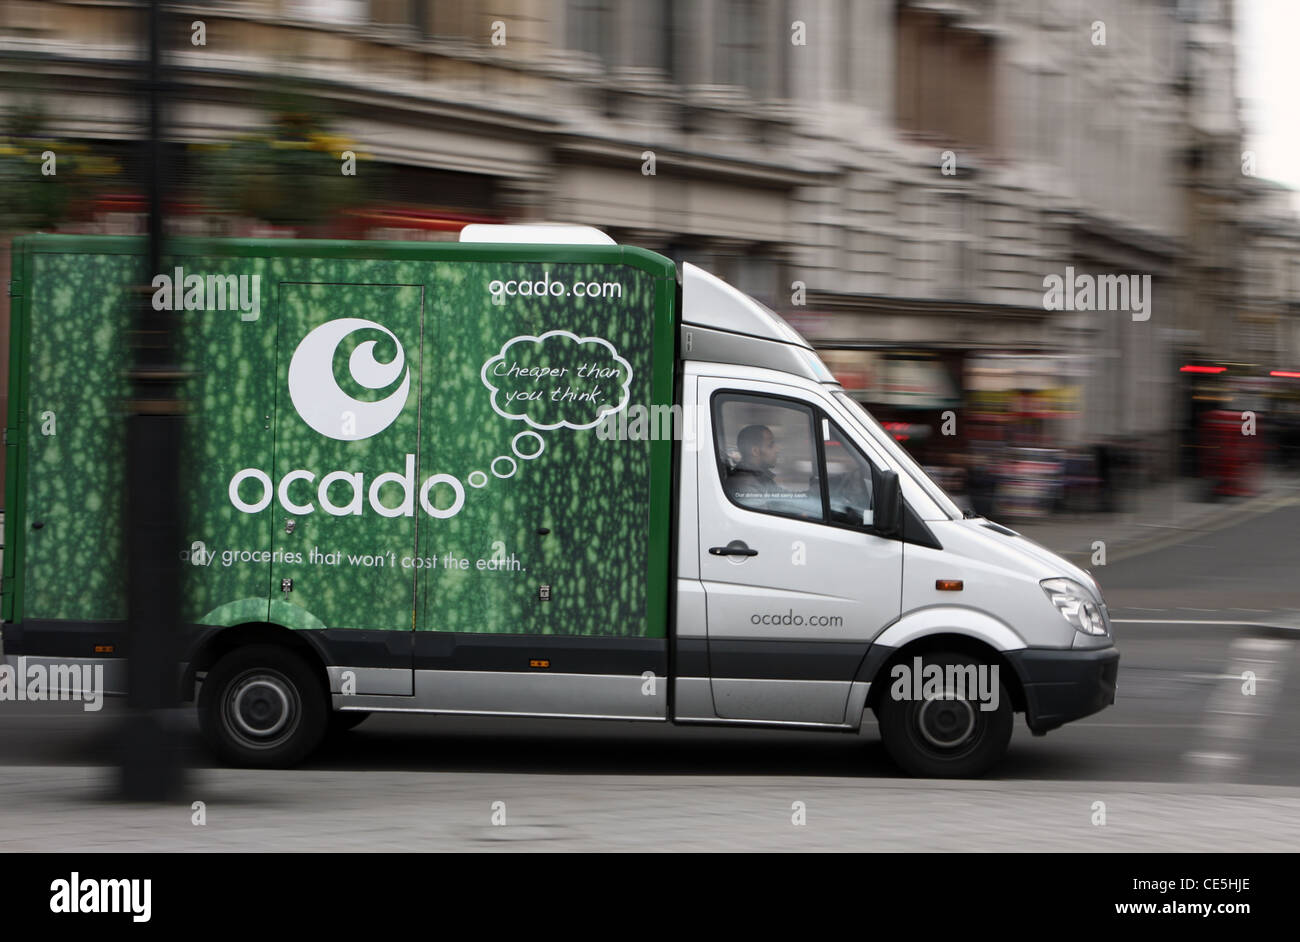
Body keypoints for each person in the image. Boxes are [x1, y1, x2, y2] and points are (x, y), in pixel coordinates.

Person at [726, 424, 796, 503]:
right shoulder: (745, 485)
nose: (777, 449)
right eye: (770, 445)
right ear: (755, 451)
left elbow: (788, 498)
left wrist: (808, 495)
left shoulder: (762, 476)